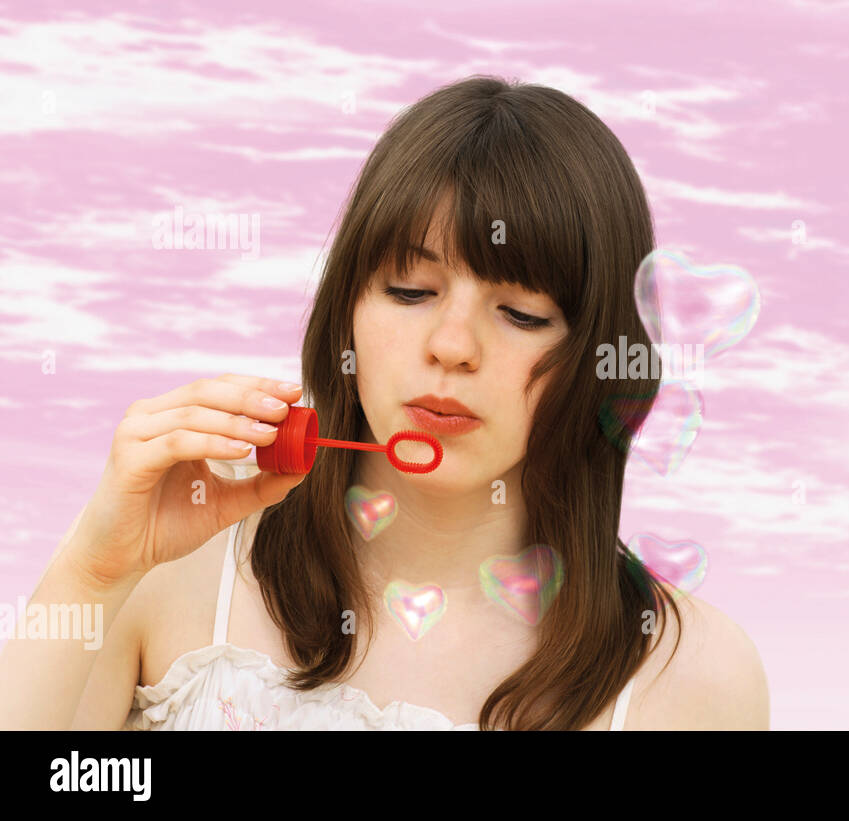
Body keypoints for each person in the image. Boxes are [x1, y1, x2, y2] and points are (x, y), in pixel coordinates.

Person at [0, 76, 769, 731]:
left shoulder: (689, 675)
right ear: (348, 314)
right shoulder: (175, 571)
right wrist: (91, 574)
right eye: (410, 289)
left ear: (600, 353)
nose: (451, 344)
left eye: (522, 313)